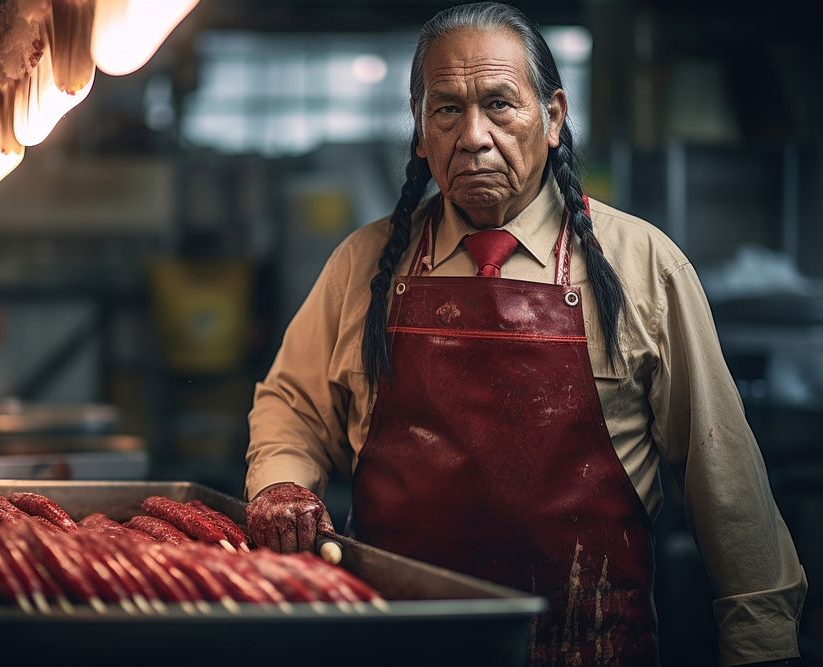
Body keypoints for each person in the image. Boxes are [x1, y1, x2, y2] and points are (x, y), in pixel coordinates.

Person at [243, 3, 807, 665]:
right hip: (397, 645)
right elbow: (293, 404)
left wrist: (761, 637)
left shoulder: (643, 266)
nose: (474, 137)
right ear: (420, 132)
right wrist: (281, 483)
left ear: (554, 116)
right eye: (446, 110)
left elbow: (726, 480)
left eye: (499, 105)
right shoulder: (363, 266)